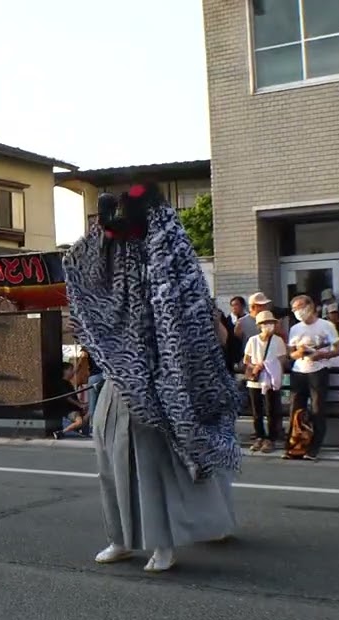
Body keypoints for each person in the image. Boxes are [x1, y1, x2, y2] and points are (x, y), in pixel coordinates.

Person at [64, 183, 238, 573]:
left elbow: (190, 323)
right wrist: (104, 224)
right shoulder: (111, 258)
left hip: (163, 379)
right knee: (109, 460)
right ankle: (120, 538)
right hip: (117, 377)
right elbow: (80, 265)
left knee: (154, 464)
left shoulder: (168, 253)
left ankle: (163, 543)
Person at [287, 293, 339, 460]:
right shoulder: (295, 328)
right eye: (295, 309)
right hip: (299, 370)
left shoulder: (326, 325)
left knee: (318, 408)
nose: (298, 312)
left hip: (318, 369)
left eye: (300, 307)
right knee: (296, 409)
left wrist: (322, 355)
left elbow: (338, 349)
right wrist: (300, 352)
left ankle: (314, 446)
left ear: (310, 307)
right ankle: (294, 445)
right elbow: (291, 354)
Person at [243, 311, 287, 453]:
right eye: (265, 323)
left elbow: (282, 360)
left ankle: (271, 438)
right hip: (256, 379)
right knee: (257, 410)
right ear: (259, 326)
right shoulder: (253, 340)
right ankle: (259, 436)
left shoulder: (278, 341)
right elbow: (246, 360)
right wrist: (255, 366)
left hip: (270, 379)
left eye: (271, 323)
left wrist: (269, 366)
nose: (268, 326)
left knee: (271, 409)